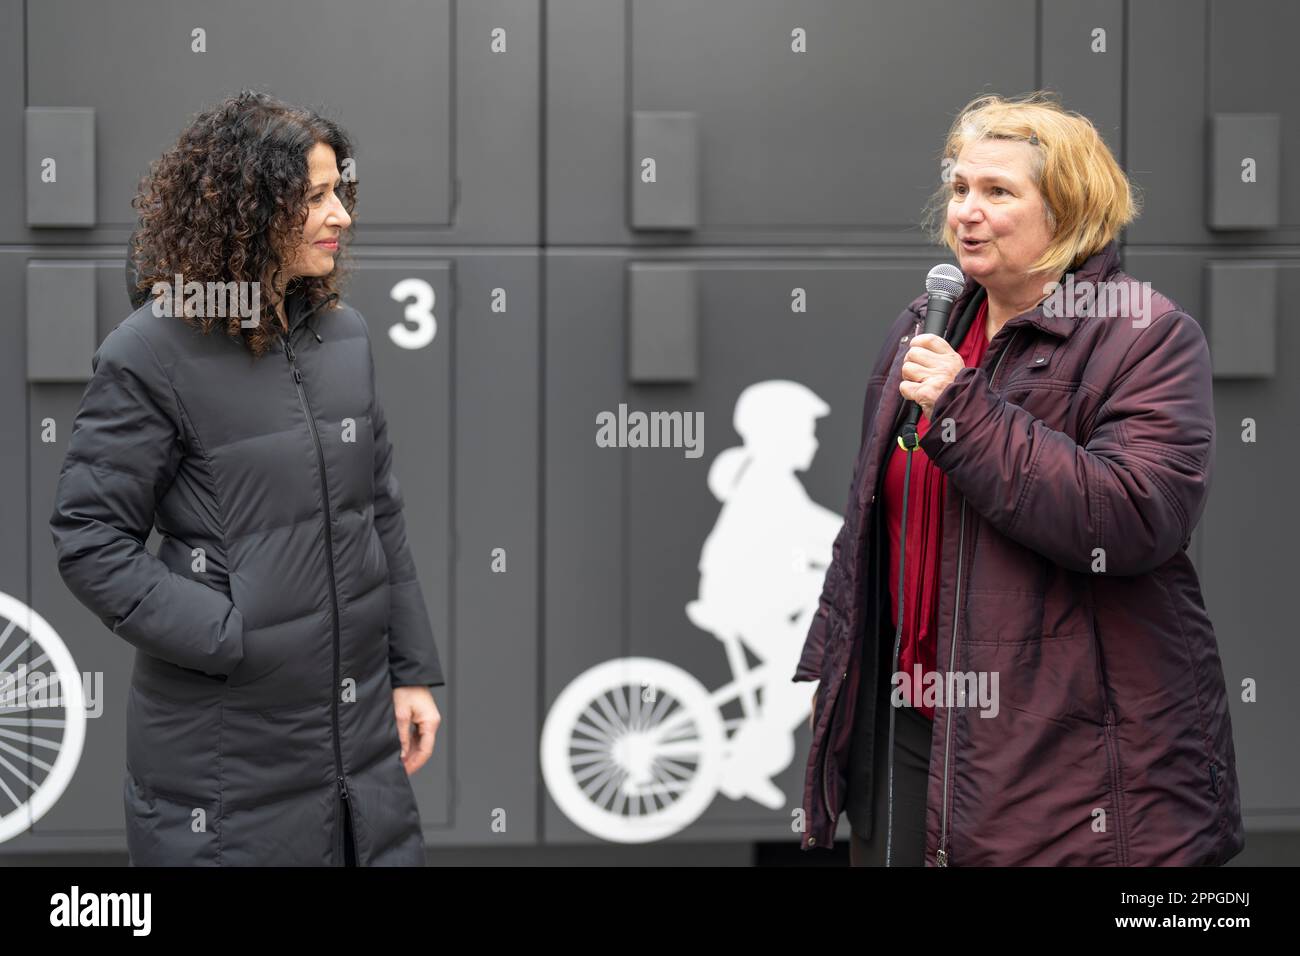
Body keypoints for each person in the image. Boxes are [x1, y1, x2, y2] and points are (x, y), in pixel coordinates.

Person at [793, 91, 1245, 866]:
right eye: (960, 188)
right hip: (907, 721)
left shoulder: (1146, 335)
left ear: (1069, 212)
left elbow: (1131, 518)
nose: (966, 210)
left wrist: (962, 407)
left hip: (1064, 742)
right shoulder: (925, 327)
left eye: (998, 192)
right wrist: (839, 674)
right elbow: (872, 523)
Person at [49, 90, 444, 866]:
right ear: (250, 208)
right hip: (224, 770)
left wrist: (410, 672)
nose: (342, 217)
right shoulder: (150, 352)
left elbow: (379, 514)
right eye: (317, 197)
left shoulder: (346, 336)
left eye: (341, 192)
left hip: (358, 747)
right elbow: (89, 537)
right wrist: (231, 635)